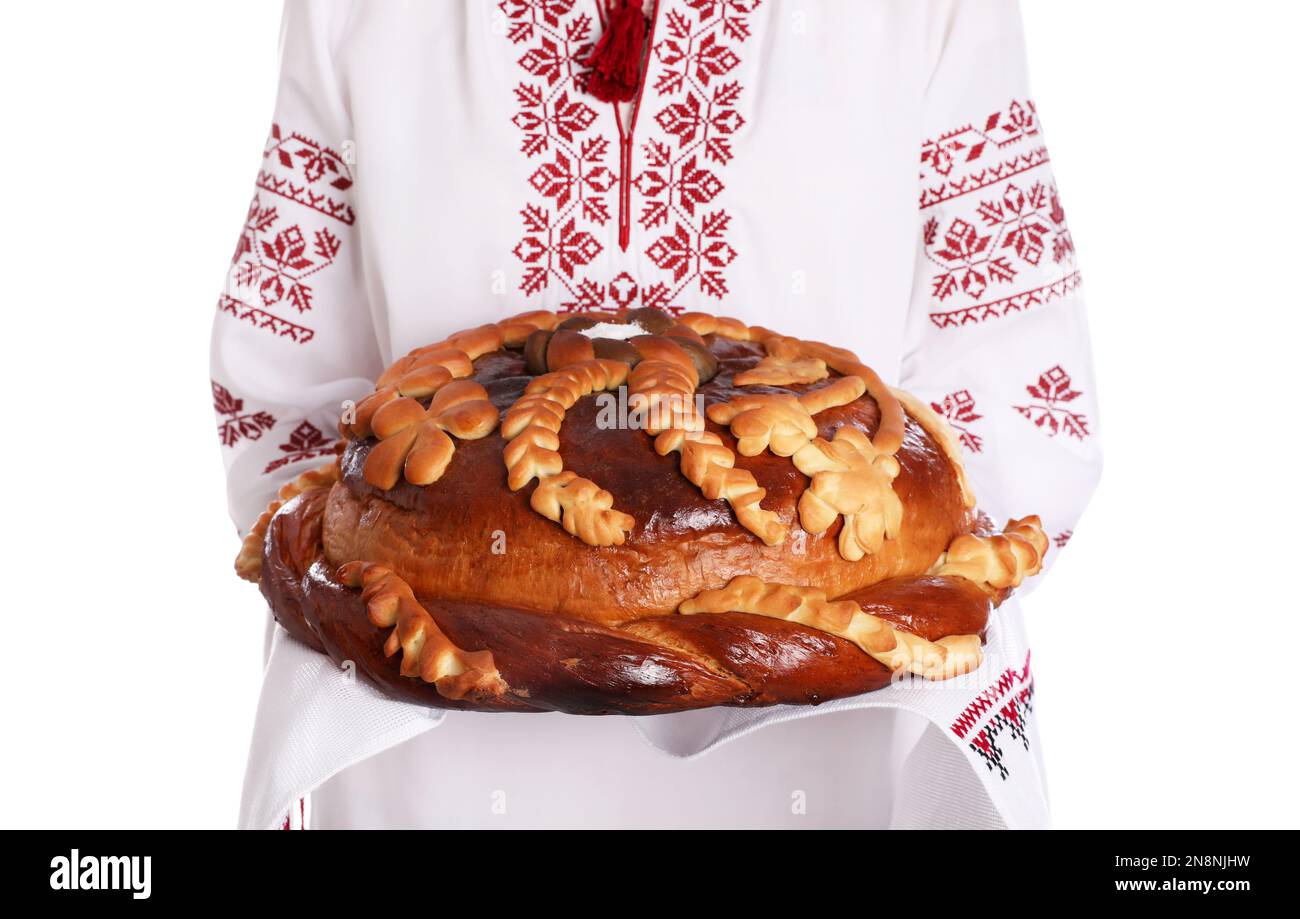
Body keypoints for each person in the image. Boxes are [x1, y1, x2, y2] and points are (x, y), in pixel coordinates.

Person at [213, 0, 1100, 829]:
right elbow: (284, 400)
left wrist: (789, 589)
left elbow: (1021, 409)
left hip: (835, 752)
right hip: (427, 742)